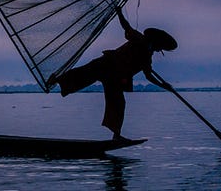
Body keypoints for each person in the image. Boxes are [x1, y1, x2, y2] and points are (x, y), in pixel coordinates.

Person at [47, 9, 177, 140]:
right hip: (107, 64)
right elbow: (126, 27)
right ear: (156, 43)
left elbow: (148, 75)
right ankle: (56, 80)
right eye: (160, 47)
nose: (160, 50)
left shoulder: (147, 57)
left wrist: (163, 85)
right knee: (83, 74)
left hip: (116, 77)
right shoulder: (139, 39)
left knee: (118, 103)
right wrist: (119, 12)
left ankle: (116, 135)